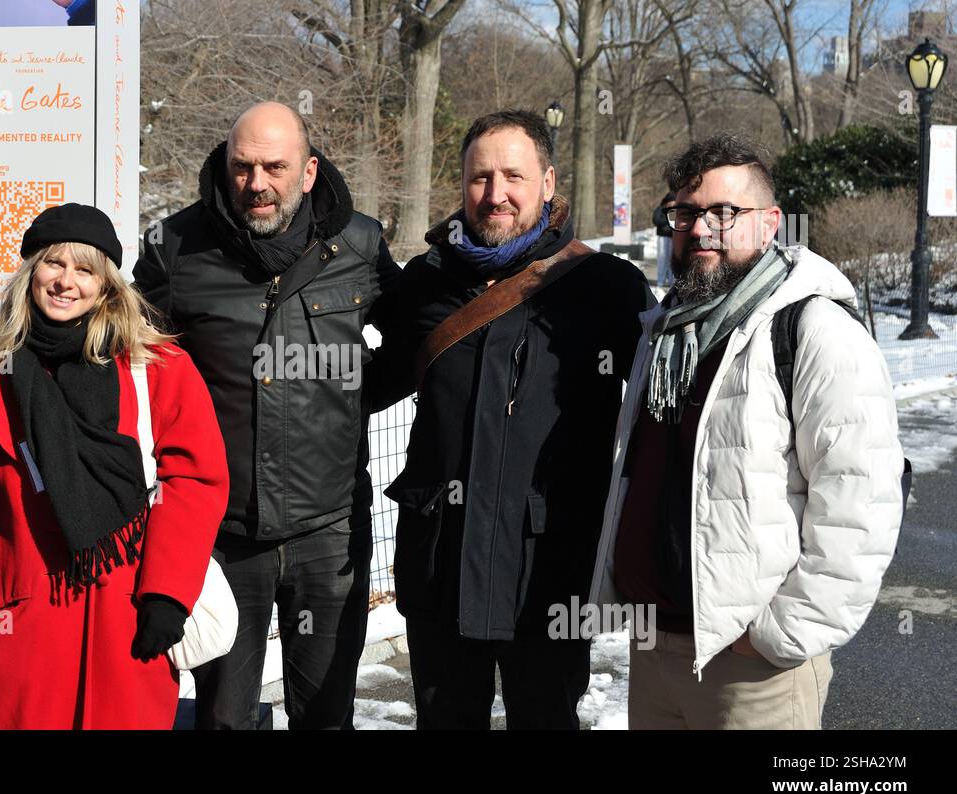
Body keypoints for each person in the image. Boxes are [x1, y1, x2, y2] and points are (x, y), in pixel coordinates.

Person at [588, 133, 906, 729]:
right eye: (686, 212)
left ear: (770, 224)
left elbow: (862, 504)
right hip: (656, 648)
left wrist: (780, 635)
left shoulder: (813, 330)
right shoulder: (665, 332)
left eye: (724, 212)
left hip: (752, 669)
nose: (702, 228)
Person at [372, 110, 653, 729]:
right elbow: (361, 387)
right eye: (479, 178)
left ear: (548, 182)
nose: (495, 194)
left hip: (549, 574)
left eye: (513, 177)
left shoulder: (607, 287)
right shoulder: (425, 284)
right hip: (440, 566)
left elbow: (672, 408)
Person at [133, 101, 402, 729]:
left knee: (326, 713)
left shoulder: (357, 243)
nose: (258, 184)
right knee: (224, 717)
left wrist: (351, 398)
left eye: (274, 167)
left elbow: (418, 339)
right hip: (222, 532)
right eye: (244, 167)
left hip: (328, 528)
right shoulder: (177, 248)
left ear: (308, 172)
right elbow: (131, 365)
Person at [0, 203, 228, 729]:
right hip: (23, 619)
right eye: (53, 264)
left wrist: (168, 593)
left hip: (126, 613)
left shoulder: (154, 366)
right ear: (29, 273)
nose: (66, 282)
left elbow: (196, 479)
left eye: (84, 269)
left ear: (106, 284)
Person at [653, 191, 675, 288]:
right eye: (670, 202)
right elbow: (656, 220)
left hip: (672, 237)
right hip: (662, 237)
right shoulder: (660, 209)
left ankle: (672, 281)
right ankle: (660, 281)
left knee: (672, 259)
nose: (672, 204)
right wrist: (668, 219)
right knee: (662, 258)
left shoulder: (676, 209)